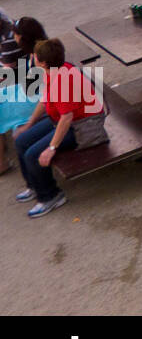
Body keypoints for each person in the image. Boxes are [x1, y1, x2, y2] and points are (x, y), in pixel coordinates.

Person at [13, 38, 103, 218]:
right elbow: (45, 100)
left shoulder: (61, 82)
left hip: (80, 126)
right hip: (61, 119)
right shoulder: (52, 71)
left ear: (43, 62)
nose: (33, 57)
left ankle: (51, 196)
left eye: (35, 56)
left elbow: (67, 118)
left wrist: (51, 148)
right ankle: (34, 185)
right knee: (22, 141)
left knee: (34, 155)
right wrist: (30, 124)